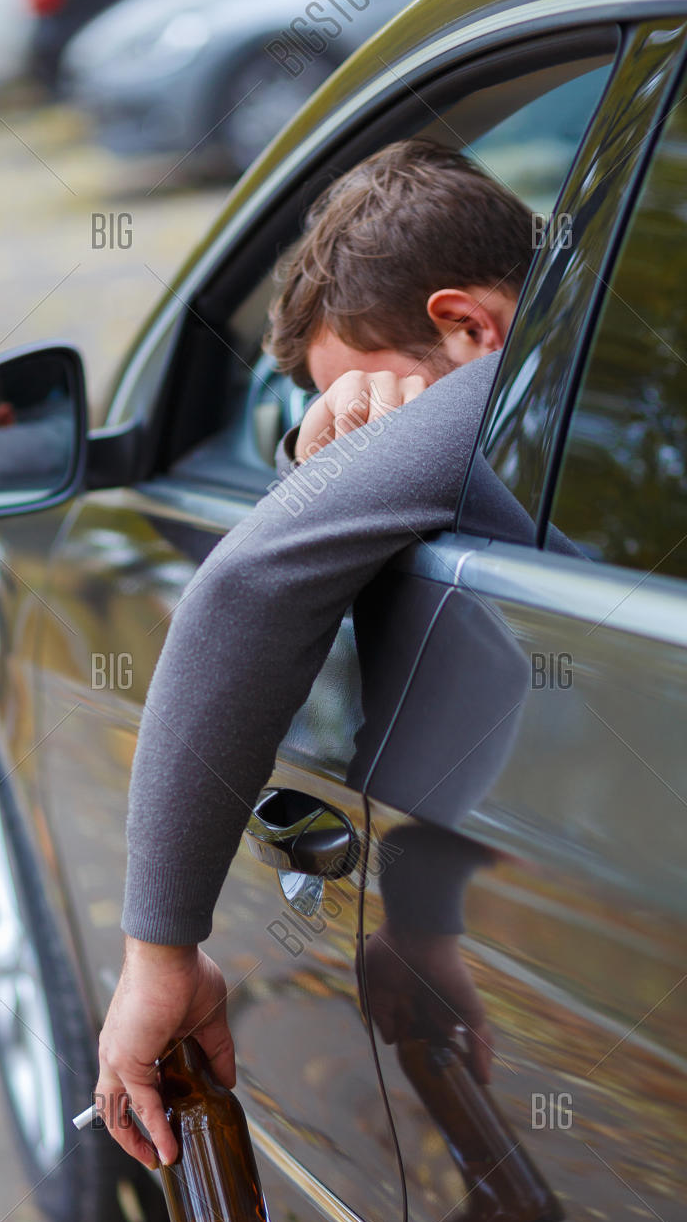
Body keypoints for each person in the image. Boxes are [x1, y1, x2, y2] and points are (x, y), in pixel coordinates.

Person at [93, 139, 538, 1169]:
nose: (364, 437)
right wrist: (422, 926)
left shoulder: (488, 392)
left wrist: (159, 956)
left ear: (469, 327)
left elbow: (246, 588)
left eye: (369, 403)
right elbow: (495, 661)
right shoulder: (594, 391)